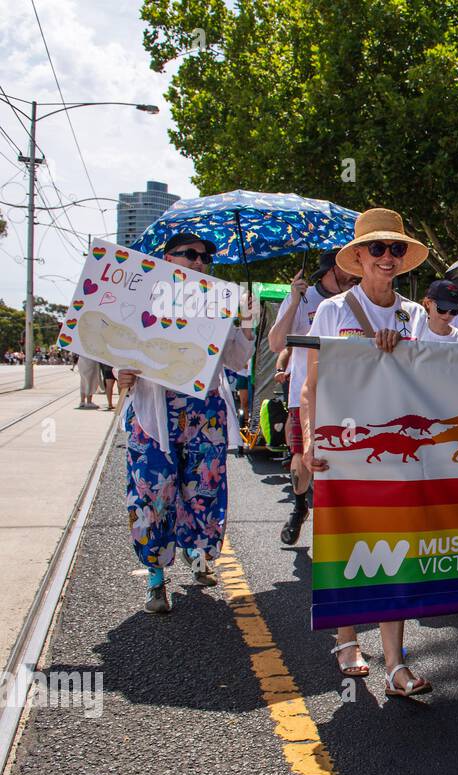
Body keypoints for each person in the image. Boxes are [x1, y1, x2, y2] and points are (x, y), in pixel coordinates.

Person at [301, 207, 433, 697]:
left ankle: (396, 665)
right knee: (347, 543)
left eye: (396, 249)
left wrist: (402, 352)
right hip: (344, 447)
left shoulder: (413, 314)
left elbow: (426, 383)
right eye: (377, 248)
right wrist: (310, 439)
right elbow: (311, 387)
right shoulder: (332, 312)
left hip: (393, 450)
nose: (387, 257)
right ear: (358, 256)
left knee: (395, 547)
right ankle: (347, 638)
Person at [115, 231, 254, 613]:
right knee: (152, 495)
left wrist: (244, 319)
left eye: (205, 258)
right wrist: (121, 371)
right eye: (189, 255)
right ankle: (156, 580)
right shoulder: (143, 300)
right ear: (168, 259)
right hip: (154, 415)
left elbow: (239, 360)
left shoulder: (219, 303)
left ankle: (199, 555)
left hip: (204, 414)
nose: (198, 263)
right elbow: (120, 347)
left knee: (203, 492)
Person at [266, 249, 357, 546]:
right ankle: (299, 506)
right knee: (302, 457)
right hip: (305, 391)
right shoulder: (304, 298)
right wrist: (293, 301)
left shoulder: (356, 299)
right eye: (345, 267)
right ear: (331, 269)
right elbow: (275, 343)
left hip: (348, 392)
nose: (352, 272)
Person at [423, 280, 458, 345]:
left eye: (454, 311)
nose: (447, 315)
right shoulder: (416, 334)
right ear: (428, 303)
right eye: (442, 309)